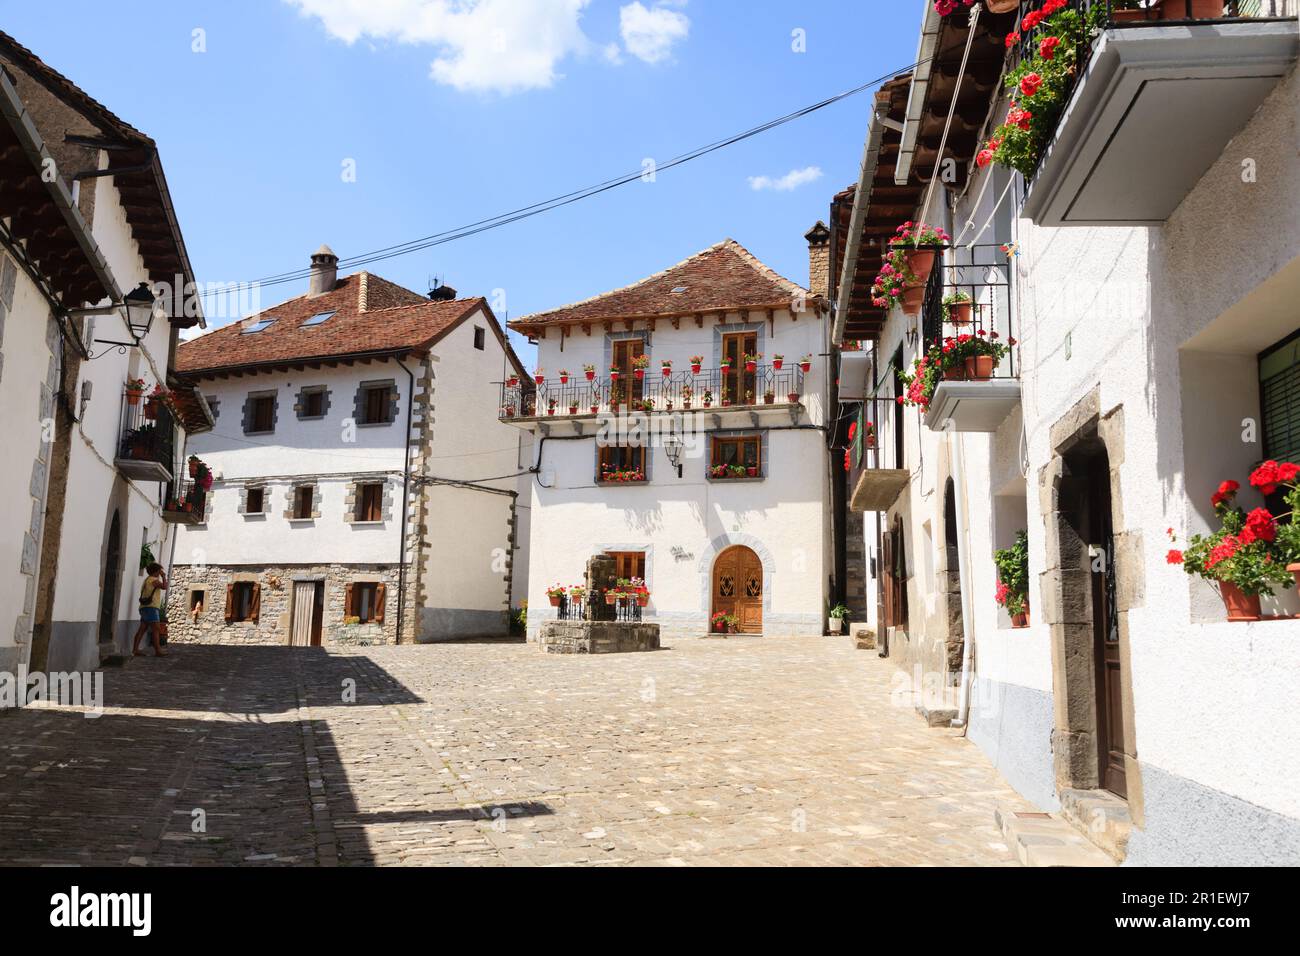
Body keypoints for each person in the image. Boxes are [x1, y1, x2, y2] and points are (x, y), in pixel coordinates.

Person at [132, 562, 169, 657]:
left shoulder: (147, 580)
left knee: (142, 629)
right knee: (156, 629)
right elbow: (165, 587)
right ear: (156, 571)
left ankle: (135, 650)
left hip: (144, 608)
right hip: (151, 607)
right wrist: (164, 576)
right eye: (159, 570)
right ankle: (158, 650)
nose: (160, 572)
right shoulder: (153, 580)